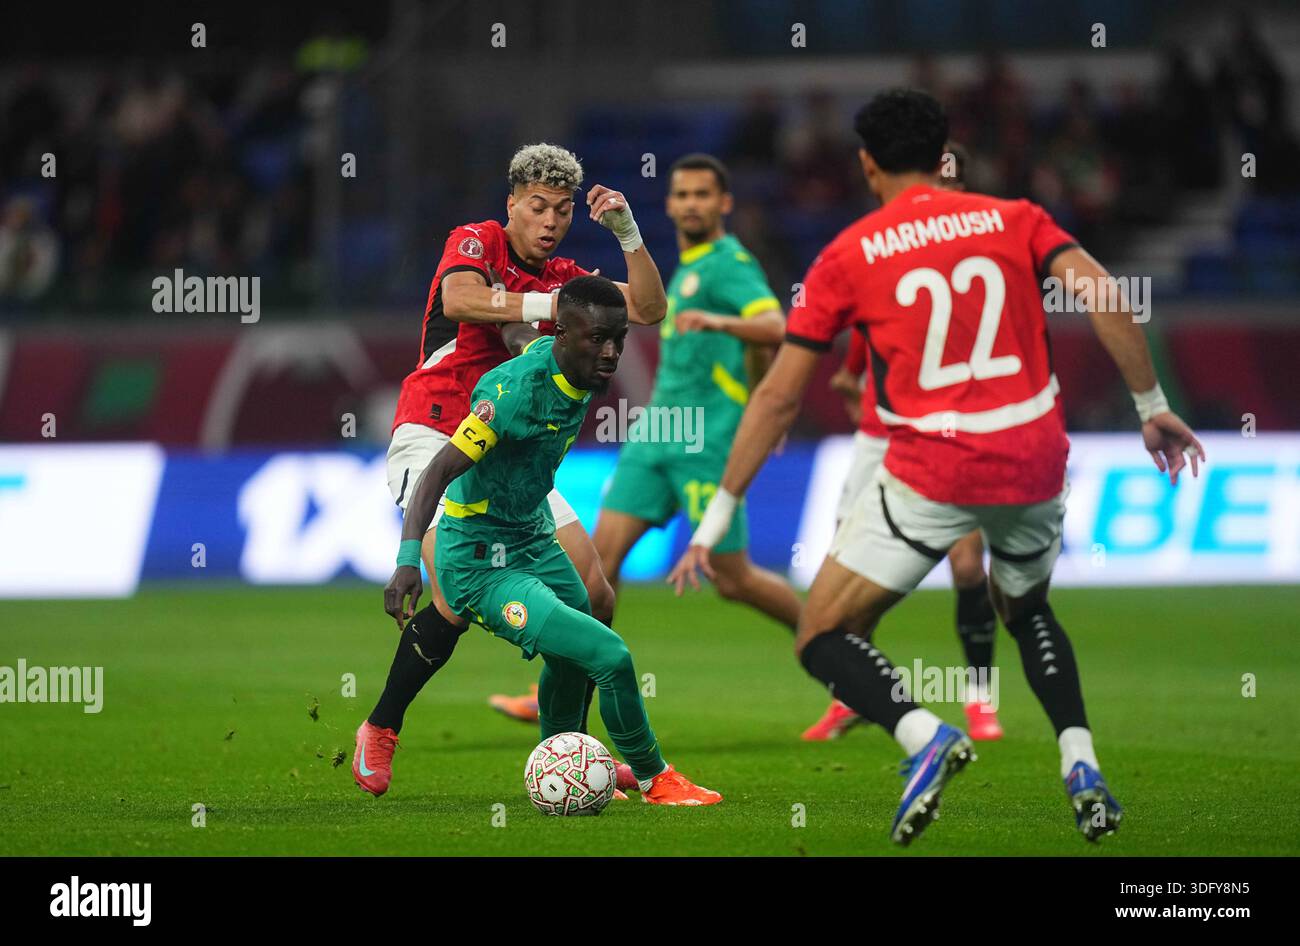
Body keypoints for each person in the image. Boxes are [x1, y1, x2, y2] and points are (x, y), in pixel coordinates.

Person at [668, 89, 1204, 844]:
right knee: (1030, 610)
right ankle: (1079, 759)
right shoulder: (1017, 219)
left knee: (821, 634)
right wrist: (1150, 406)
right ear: (943, 152)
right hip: (1033, 458)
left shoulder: (848, 255)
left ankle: (925, 735)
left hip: (933, 468)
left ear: (866, 163)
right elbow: (1104, 293)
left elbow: (780, 399)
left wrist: (717, 518)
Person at [354, 143, 666, 797]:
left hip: (512, 454)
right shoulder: (477, 241)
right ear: (511, 206)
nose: (548, 221)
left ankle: (569, 753)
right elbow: (463, 300)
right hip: (435, 433)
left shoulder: (565, 272)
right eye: (536, 207)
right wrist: (550, 308)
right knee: (456, 591)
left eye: (559, 210)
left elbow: (646, 309)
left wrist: (629, 235)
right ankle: (381, 725)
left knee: (597, 593)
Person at [382, 275, 722, 807]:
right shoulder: (509, 398)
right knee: (608, 655)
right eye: (597, 340)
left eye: (618, 340)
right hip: (481, 560)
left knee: (574, 650)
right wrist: (408, 562)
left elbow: (524, 339)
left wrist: (508, 316)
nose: (609, 353)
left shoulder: (564, 359)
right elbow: (437, 473)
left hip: (533, 535)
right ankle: (657, 778)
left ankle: (560, 758)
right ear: (565, 335)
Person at [807, 141, 1005, 743]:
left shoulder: (981, 255)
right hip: (877, 434)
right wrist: (852, 375)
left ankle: (979, 700)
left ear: (962, 190)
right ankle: (853, 697)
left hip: (947, 435)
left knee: (969, 566)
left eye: (949, 181)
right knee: (847, 578)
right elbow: (866, 331)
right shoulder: (886, 247)